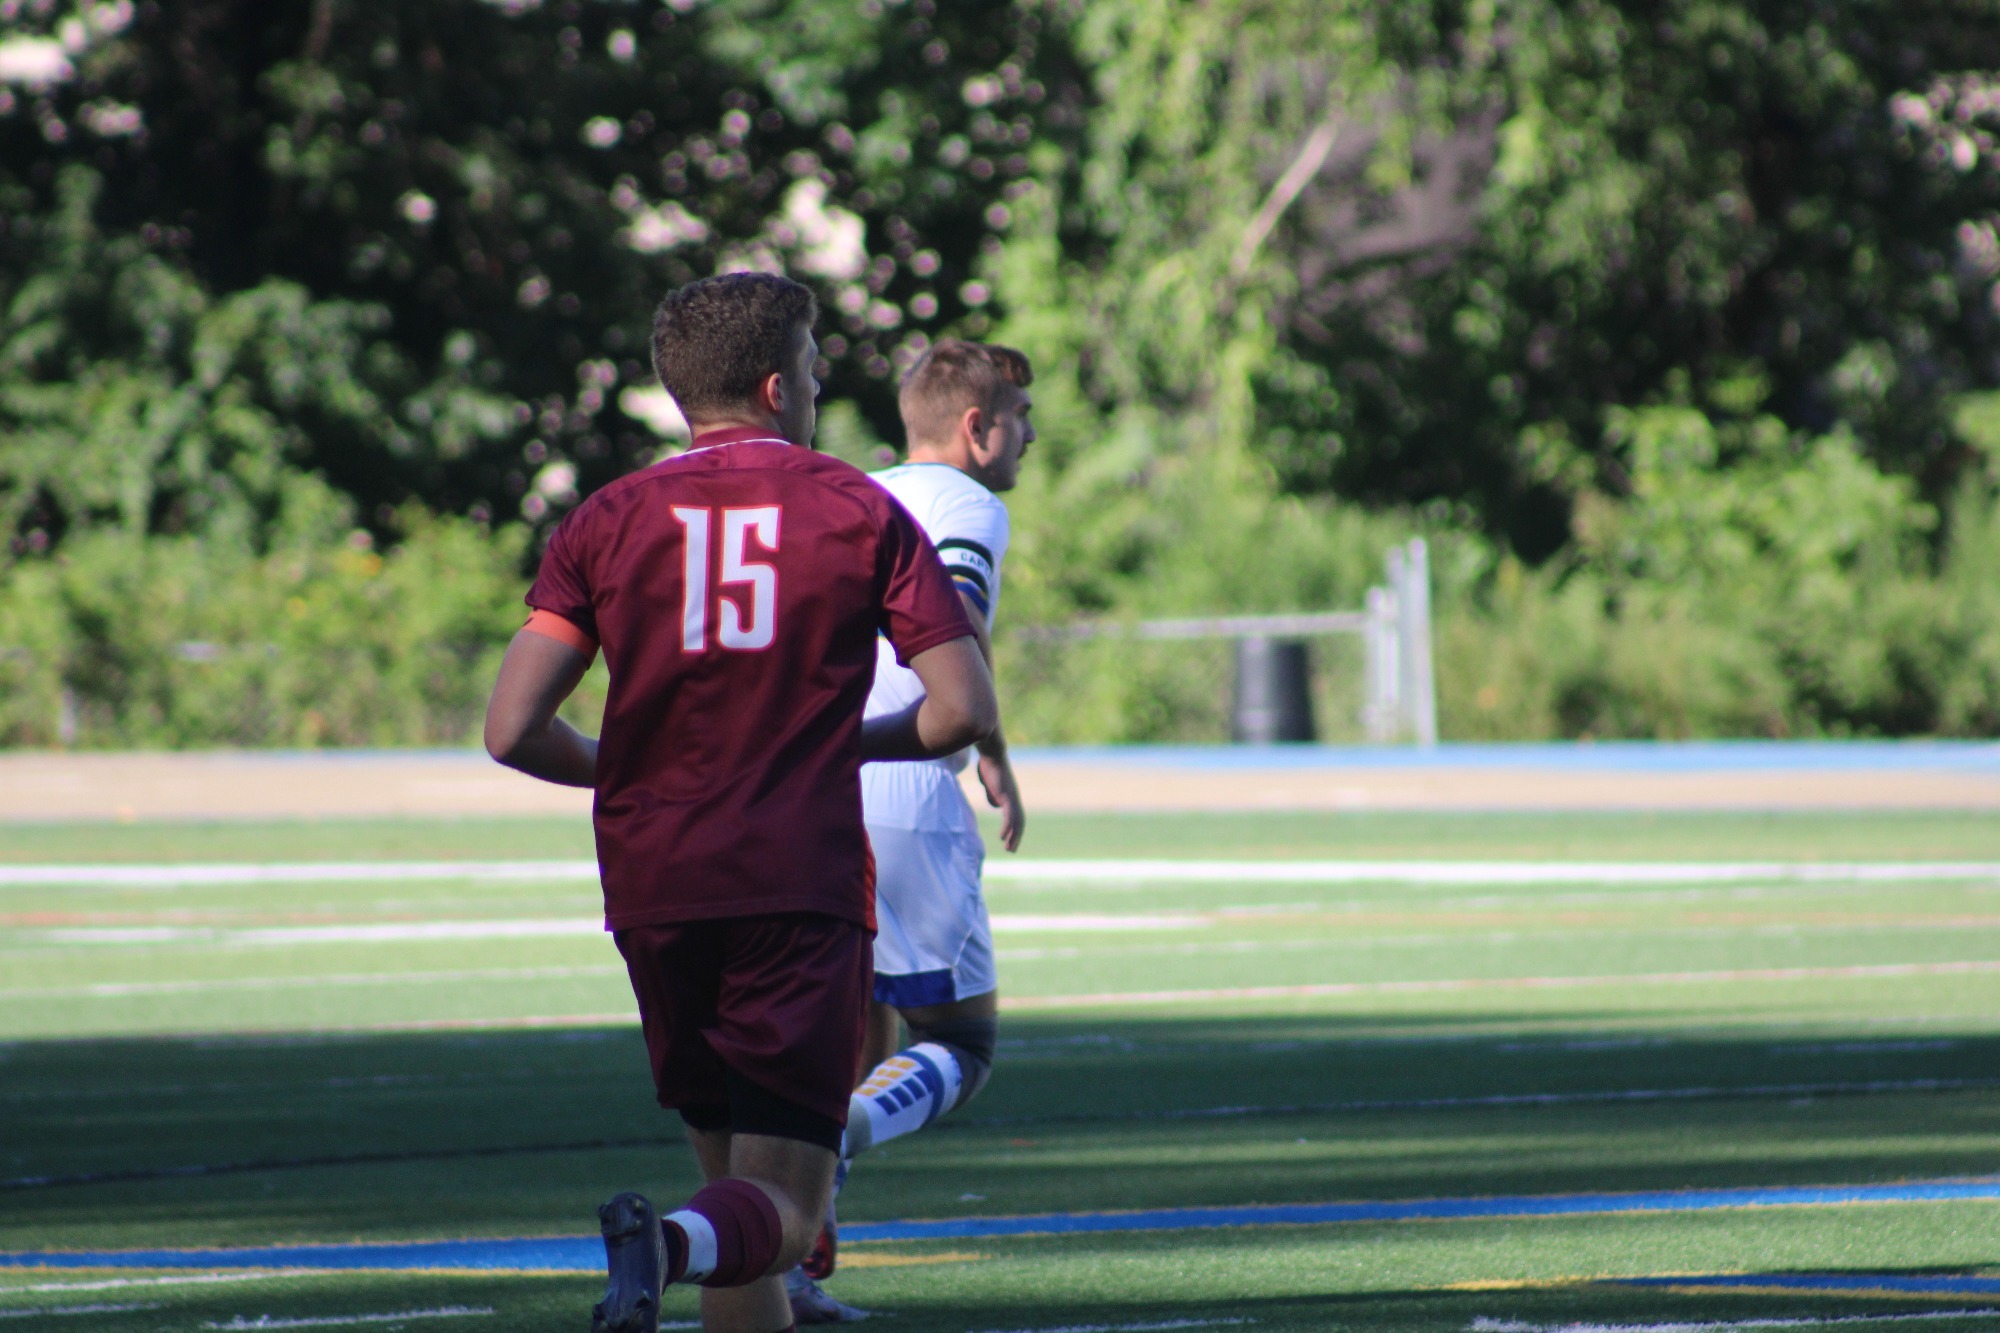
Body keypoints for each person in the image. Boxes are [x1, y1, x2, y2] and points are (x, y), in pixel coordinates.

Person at [483, 272, 998, 1333]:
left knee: (742, 1222)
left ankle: (687, 1239)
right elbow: (959, 708)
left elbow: (512, 728)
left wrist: (640, 768)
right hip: (791, 880)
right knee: (787, 1209)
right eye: (812, 369)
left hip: (655, 882)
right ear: (776, 387)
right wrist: (830, 744)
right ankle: (660, 1243)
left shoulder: (607, 516)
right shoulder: (857, 503)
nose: (817, 386)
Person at [785, 340, 1034, 1325]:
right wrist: (989, 747)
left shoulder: (851, 490)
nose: (1026, 440)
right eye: (1019, 419)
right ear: (976, 428)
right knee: (958, 1045)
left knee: (857, 1030)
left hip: (814, 788)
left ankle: (789, 1266)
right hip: (902, 789)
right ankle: (831, 1135)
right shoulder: (970, 505)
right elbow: (957, 617)